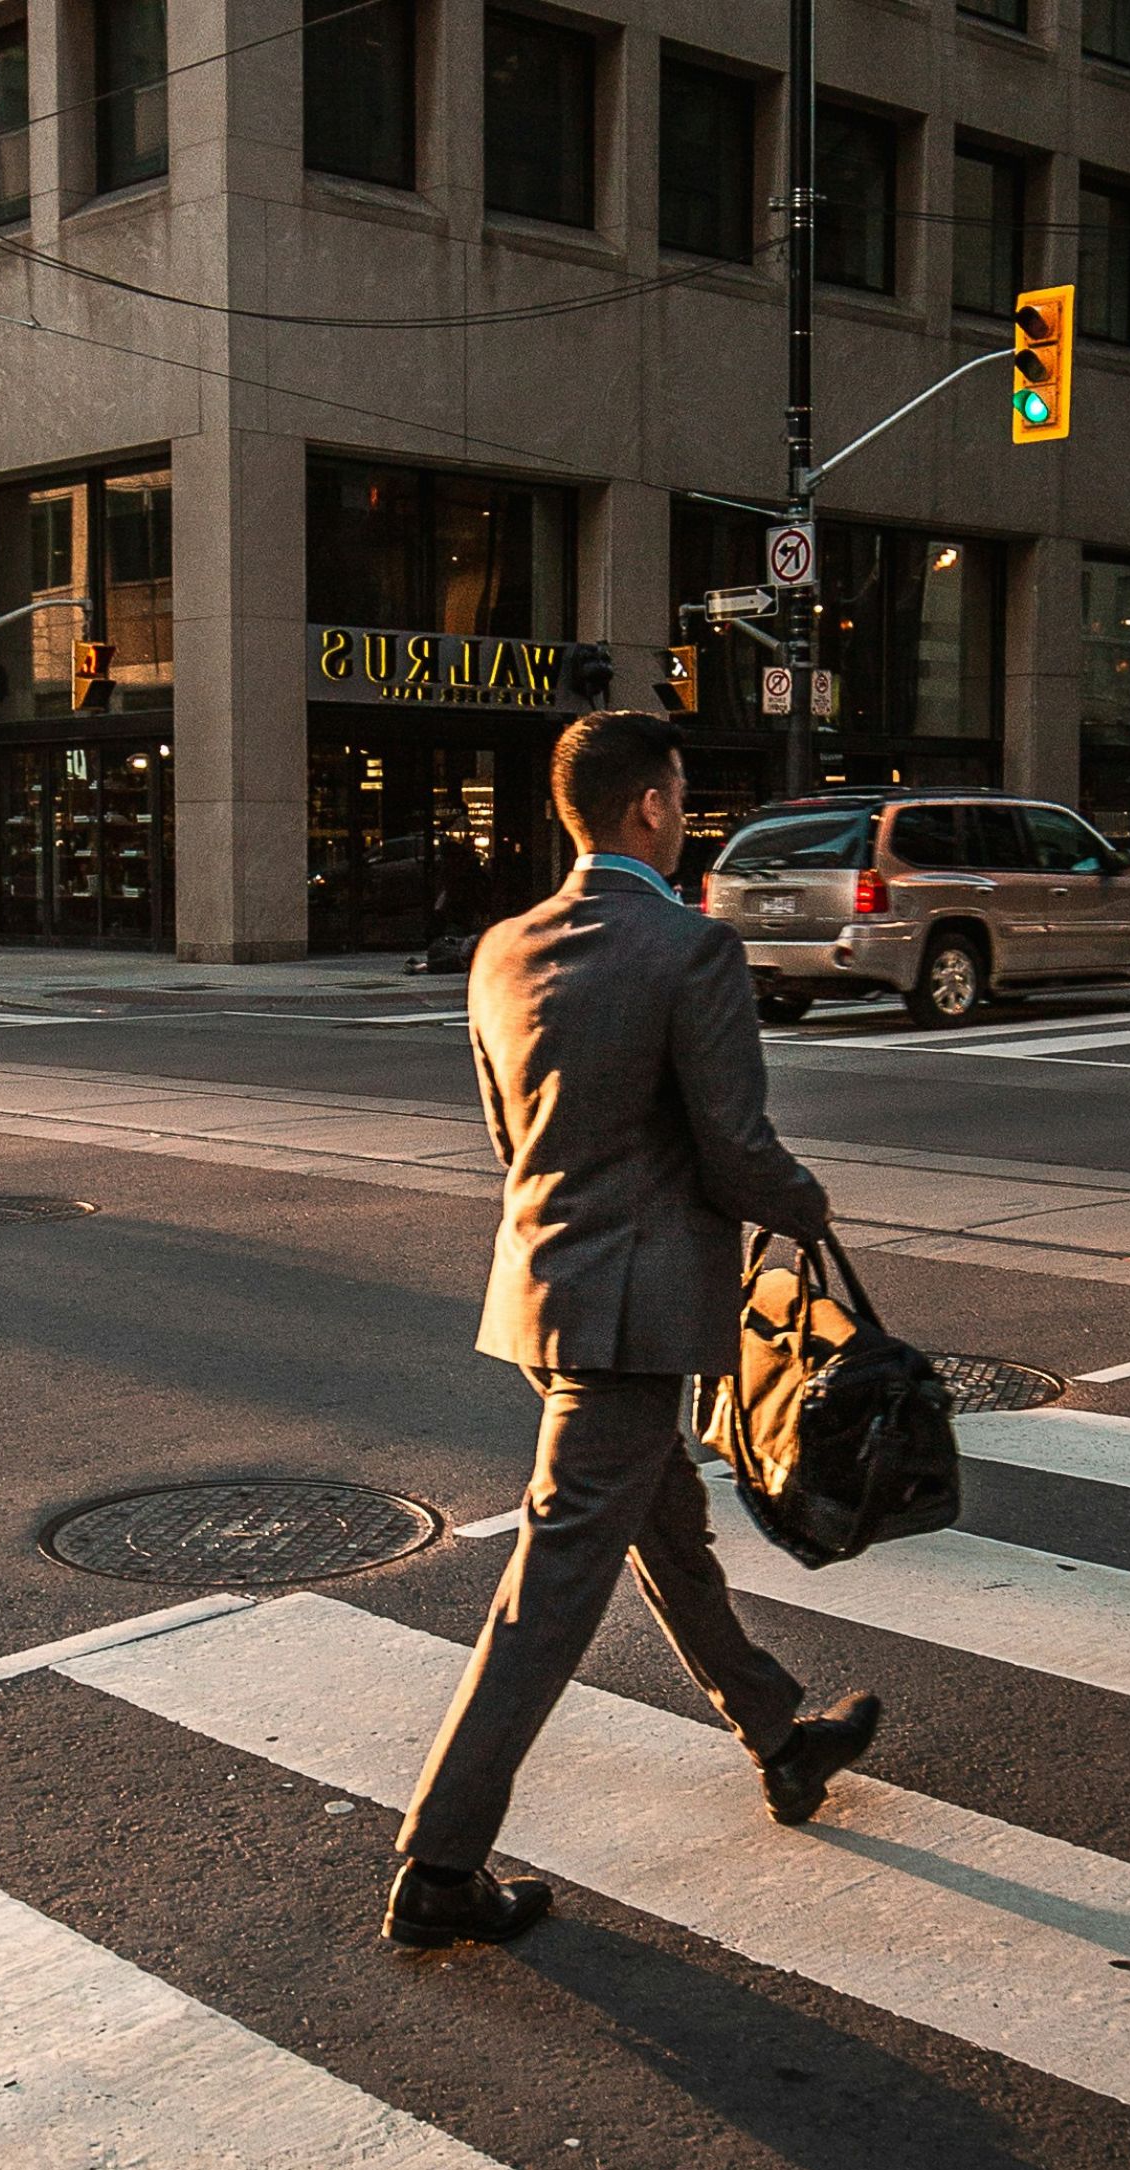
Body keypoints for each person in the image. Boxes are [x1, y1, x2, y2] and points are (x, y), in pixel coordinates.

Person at [386, 712, 882, 1951]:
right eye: (679, 793)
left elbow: (513, 1142)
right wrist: (803, 1204)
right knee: (550, 1590)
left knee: (667, 1529)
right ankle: (439, 1864)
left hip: (545, 1293)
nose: (683, 812)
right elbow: (734, 1149)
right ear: (650, 809)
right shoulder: (688, 949)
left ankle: (779, 1736)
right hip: (638, 1309)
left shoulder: (501, 947)